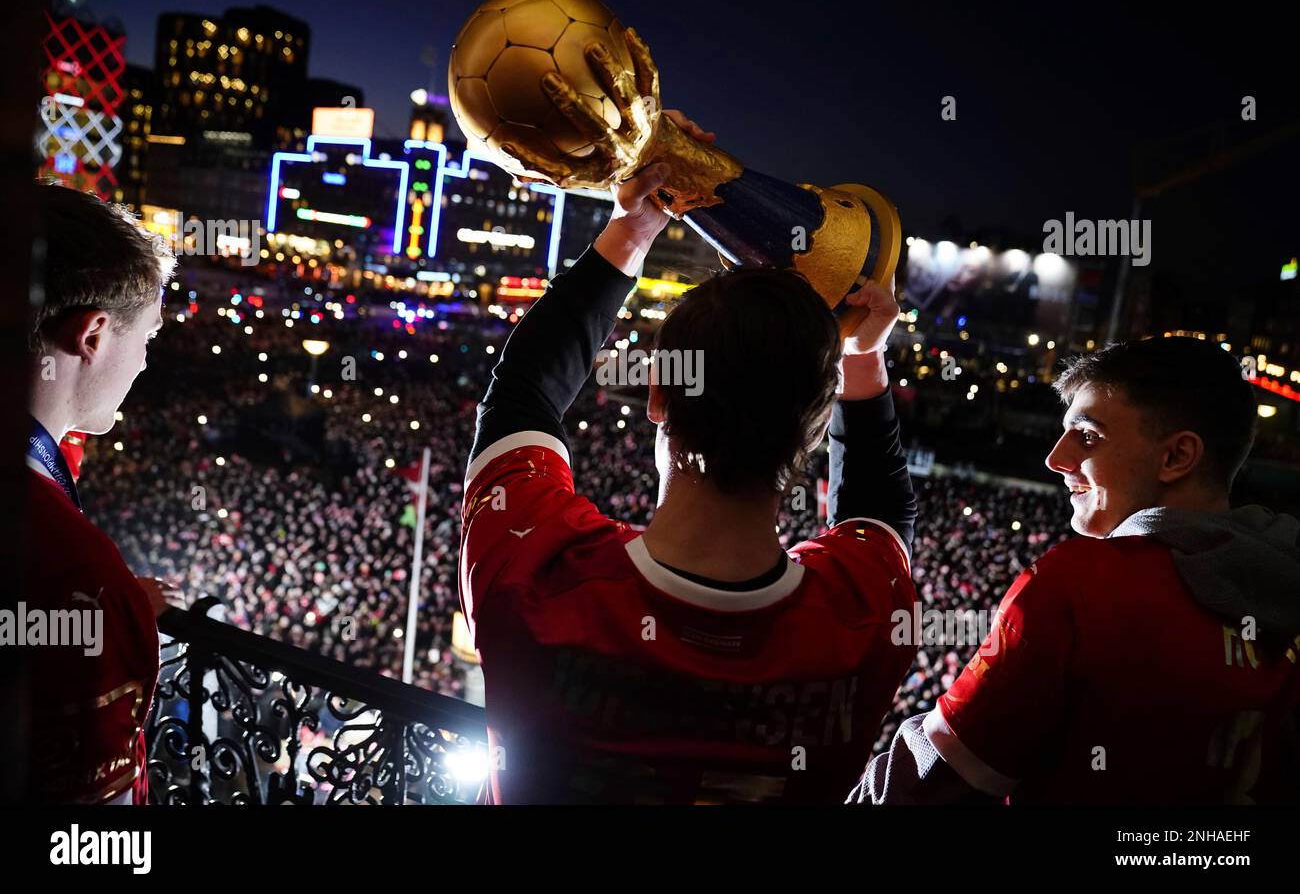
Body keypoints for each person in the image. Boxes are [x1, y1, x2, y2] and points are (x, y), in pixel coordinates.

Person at [458, 110, 917, 803]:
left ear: (658, 395)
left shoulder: (535, 573)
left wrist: (631, 228)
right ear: (816, 430)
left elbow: (522, 396)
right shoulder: (862, 618)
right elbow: (879, 511)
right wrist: (861, 356)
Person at [854, 337, 1300, 804]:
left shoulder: (1078, 585)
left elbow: (933, 782)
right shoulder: (1283, 593)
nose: (1055, 459)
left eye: (1087, 436)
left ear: (1176, 457)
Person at [17, 183, 179, 803]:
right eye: (148, 338)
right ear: (93, 335)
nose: (142, 363)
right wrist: (111, 612)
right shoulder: (76, 570)